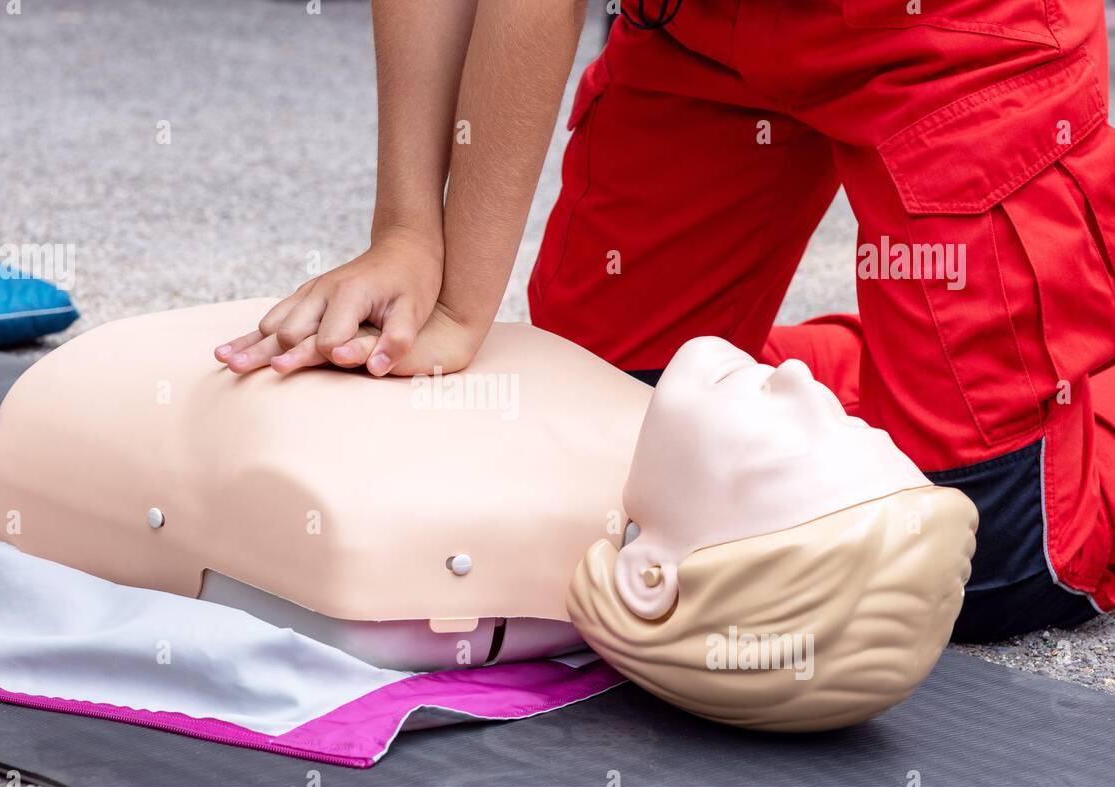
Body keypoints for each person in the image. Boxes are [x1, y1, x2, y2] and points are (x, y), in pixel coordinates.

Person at [214, 0, 1115, 640]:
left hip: (944, 29)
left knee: (987, 552)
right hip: (701, 30)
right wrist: (407, 233)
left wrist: (457, 302)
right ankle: (891, 374)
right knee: (622, 435)